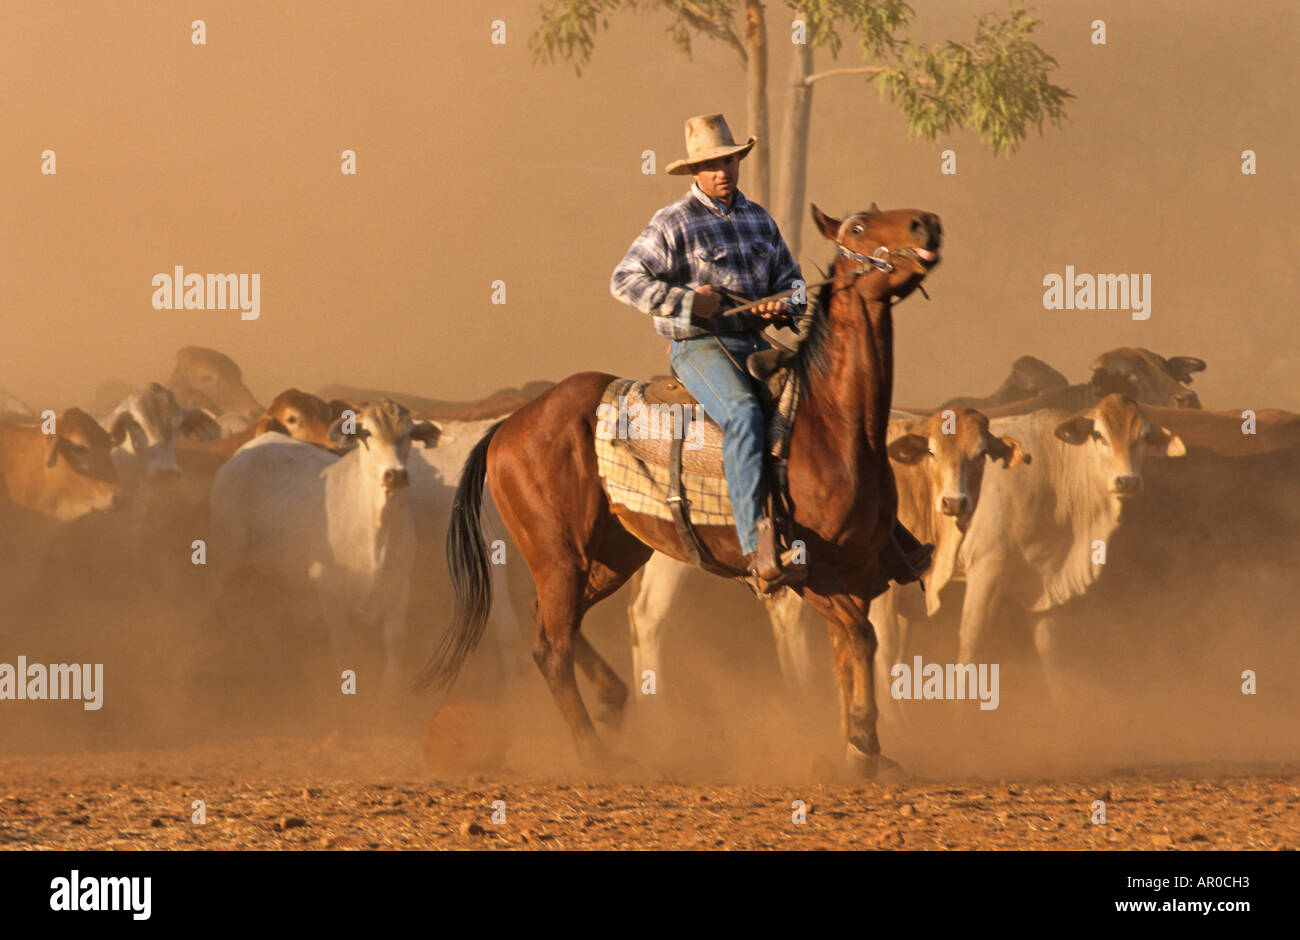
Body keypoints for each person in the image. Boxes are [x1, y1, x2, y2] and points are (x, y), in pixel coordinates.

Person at [611, 113, 932, 589]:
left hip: (757, 344)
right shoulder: (673, 222)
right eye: (712, 164)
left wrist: (785, 303)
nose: (723, 171)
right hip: (701, 346)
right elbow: (625, 281)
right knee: (742, 414)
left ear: (739, 162)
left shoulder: (758, 218)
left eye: (729, 161)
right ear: (695, 172)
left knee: (831, 415)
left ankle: (883, 533)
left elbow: (794, 282)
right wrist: (687, 302)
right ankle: (755, 546)